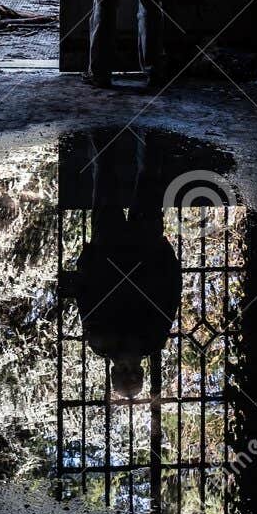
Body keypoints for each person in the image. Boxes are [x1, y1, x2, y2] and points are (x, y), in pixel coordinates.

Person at [61, 129, 182, 400]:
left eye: (124, 372)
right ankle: (127, 139)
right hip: (125, 252)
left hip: (127, 252)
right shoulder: (134, 341)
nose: (129, 366)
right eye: (133, 372)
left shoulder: (142, 341)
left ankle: (135, 139)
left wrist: (168, 259)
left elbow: (86, 298)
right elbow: (170, 294)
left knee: (120, 188)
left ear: (115, 372)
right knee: (129, 189)